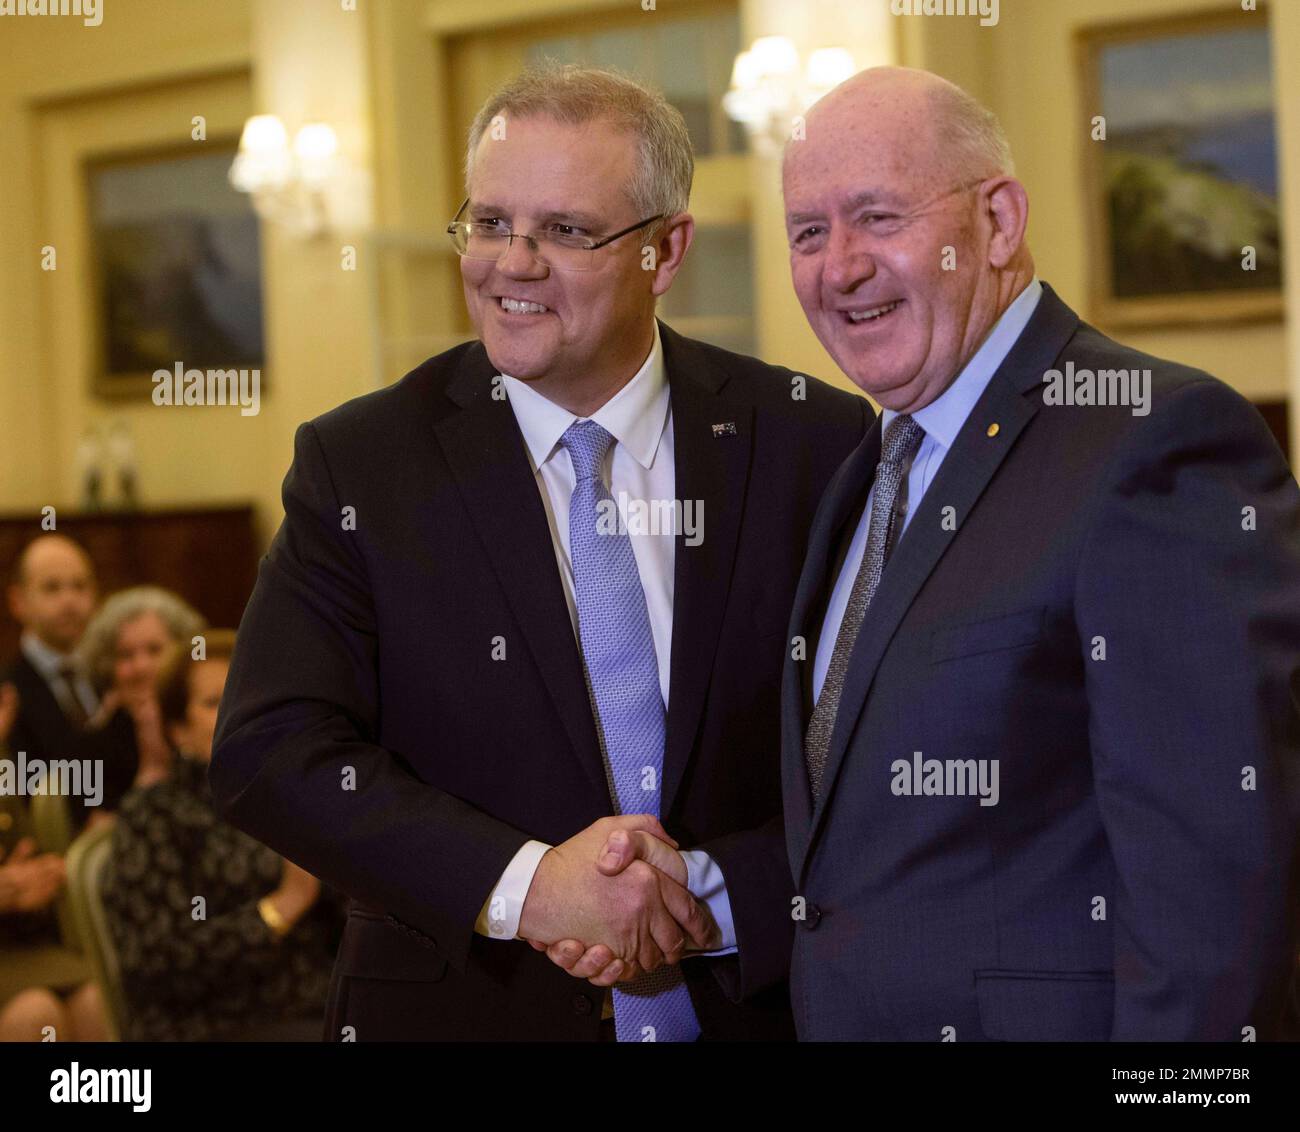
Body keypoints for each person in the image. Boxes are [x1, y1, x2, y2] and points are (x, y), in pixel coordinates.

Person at [210, 64, 869, 1042]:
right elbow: (270, 752)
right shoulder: (359, 465)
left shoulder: (812, 441)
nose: (511, 263)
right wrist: (529, 887)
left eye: (565, 231)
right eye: (487, 223)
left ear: (665, 249)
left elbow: (879, 748)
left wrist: (708, 897)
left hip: (765, 1009)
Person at [765, 66, 1298, 1040]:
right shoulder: (862, 471)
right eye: (807, 232)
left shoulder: (1151, 440)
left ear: (998, 223)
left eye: (876, 217)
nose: (837, 267)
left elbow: (1214, 884)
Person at [101, 630, 341, 1041]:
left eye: (245, 695)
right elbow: (155, 967)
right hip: (220, 1025)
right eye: (214, 702)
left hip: (321, 1006)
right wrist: (281, 907)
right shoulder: (153, 816)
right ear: (177, 729)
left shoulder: (282, 796)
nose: (238, 711)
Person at [0, 675, 107, 1041]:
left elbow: (24, 849)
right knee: (36, 1015)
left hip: (23, 944)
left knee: (96, 1001)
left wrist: (44, 874)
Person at [76, 586, 206, 820]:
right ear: (108, 666)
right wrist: (151, 769)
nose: (141, 667)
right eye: (126, 655)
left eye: (155, 650)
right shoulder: (91, 750)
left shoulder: (205, 725)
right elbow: (97, 847)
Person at [3, 535, 101, 831]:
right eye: (52, 588)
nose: (69, 601)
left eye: (79, 586)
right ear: (18, 601)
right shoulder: (8, 692)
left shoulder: (110, 676)